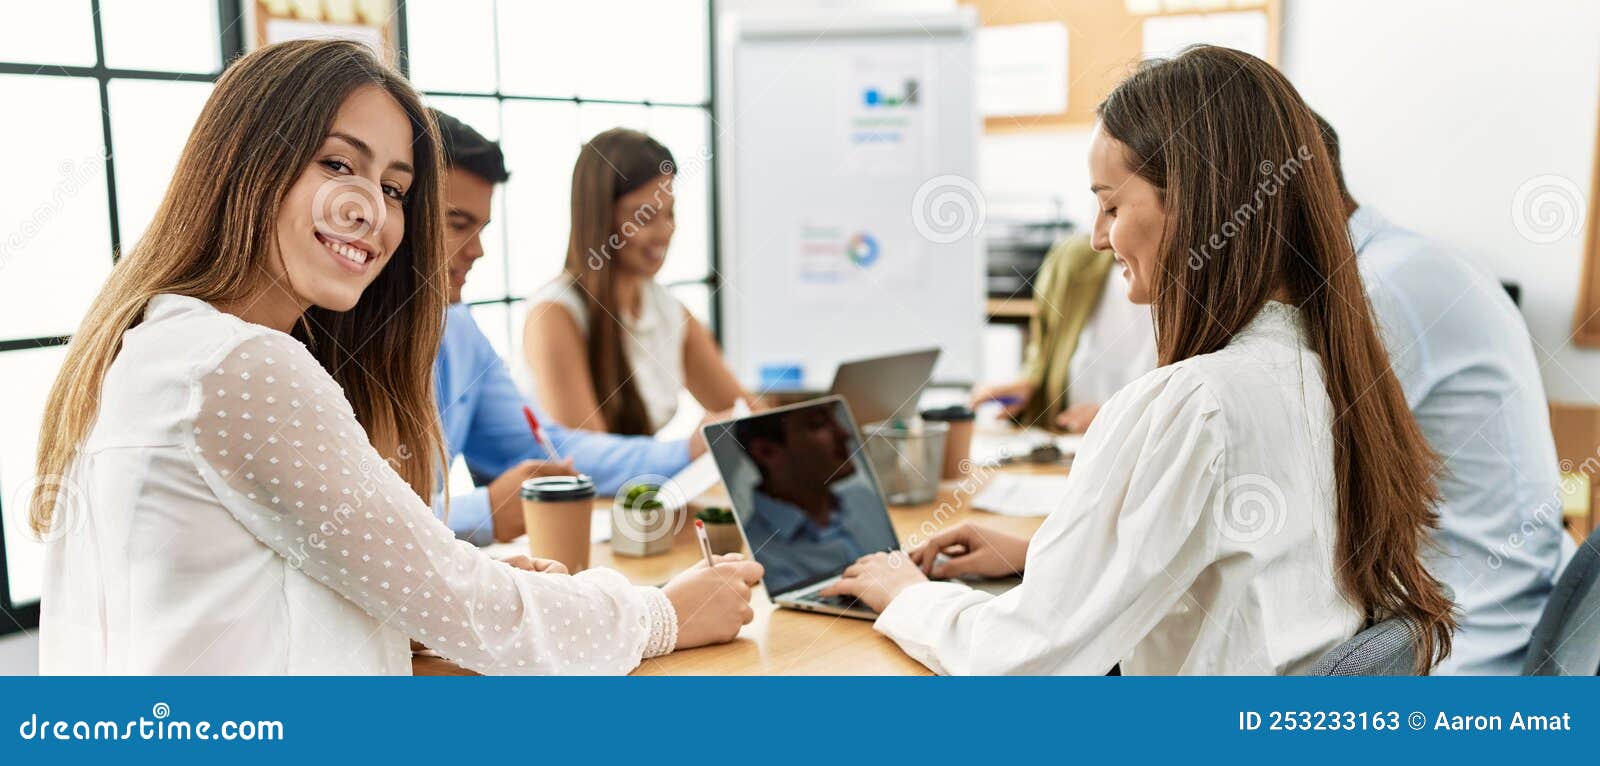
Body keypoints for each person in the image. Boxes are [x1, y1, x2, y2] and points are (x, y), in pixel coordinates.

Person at [34, 39, 760, 675]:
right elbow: (462, 602)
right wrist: (663, 616)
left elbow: (278, 595)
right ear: (244, 160)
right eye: (337, 164)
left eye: (394, 189)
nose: (371, 210)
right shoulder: (237, 364)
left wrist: (463, 596)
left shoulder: (163, 340)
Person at [822, 45, 1457, 675]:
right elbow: (1247, 575)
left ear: (1194, 202)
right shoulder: (1328, 372)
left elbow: (1017, 665)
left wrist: (909, 595)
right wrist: (1046, 557)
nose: (1099, 237)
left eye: (1112, 205)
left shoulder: (1196, 403)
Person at [1313, 113, 1571, 675]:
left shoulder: (1378, 291)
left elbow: (1291, 487)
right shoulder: (1406, 261)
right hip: (1502, 628)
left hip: (1464, 663)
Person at [430, 110, 702, 546]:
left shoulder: (459, 329)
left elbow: (550, 449)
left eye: (482, 229)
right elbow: (365, 526)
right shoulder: (555, 311)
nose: (478, 251)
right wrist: (484, 510)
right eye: (457, 224)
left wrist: (687, 451)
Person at [524, 128, 756, 436]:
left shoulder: (667, 310)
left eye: (670, 213)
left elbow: (746, 411)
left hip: (641, 482)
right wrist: (687, 451)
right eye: (645, 217)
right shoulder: (555, 314)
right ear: (600, 218)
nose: (665, 232)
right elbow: (590, 457)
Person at [971, 234, 1157, 432]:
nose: (1096, 236)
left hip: (1130, 447)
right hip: (1069, 442)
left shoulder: (1183, 286)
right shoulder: (1074, 259)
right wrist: (1029, 384)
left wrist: (1113, 416)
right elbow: (1043, 345)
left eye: (1113, 212)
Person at [732, 405, 894, 591]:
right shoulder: (763, 555)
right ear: (767, 452)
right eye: (819, 424)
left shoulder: (863, 498)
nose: (844, 433)